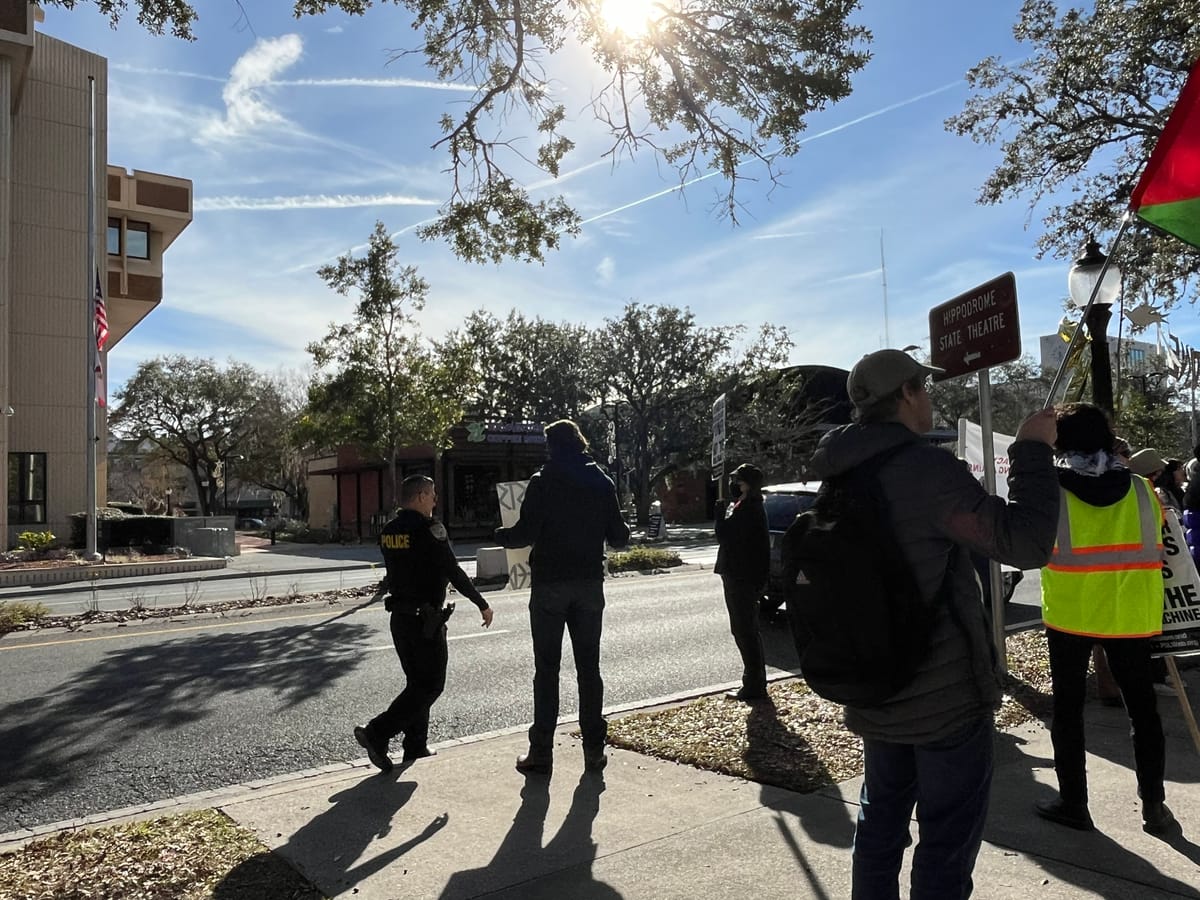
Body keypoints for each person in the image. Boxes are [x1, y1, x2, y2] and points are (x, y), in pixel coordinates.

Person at [809, 349, 1059, 900]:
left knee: (879, 827)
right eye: (922, 387)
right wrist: (1033, 452)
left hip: (873, 690)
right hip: (944, 701)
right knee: (945, 842)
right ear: (905, 394)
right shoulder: (925, 471)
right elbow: (1026, 541)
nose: (929, 396)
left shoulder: (839, 473)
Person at [1036, 403, 1174, 835]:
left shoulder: (1051, 492)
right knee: (1144, 711)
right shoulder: (1142, 490)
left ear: (1060, 442)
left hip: (1070, 617)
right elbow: (1163, 548)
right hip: (1130, 616)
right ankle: (1154, 805)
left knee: (1069, 713)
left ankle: (1074, 803)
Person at [494, 419, 631, 774]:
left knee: (547, 671)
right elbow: (619, 537)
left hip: (550, 584)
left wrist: (501, 534)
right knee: (589, 669)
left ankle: (541, 752)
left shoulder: (543, 482)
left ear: (551, 447)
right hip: (588, 583)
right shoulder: (602, 482)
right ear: (580, 443)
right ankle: (593, 751)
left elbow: (524, 534)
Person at [354, 474, 493, 772]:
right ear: (419, 497)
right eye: (431, 494)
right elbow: (453, 570)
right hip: (425, 620)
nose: (435, 500)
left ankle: (415, 744)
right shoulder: (430, 529)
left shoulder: (389, 530)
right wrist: (481, 603)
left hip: (401, 620)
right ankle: (378, 732)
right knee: (431, 686)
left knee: (417, 684)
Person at [714, 462, 771, 702]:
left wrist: (719, 514)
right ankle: (753, 680)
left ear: (749, 483)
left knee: (745, 629)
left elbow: (727, 536)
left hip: (742, 576)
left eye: (739, 480)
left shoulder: (750, 509)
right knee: (742, 629)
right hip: (737, 574)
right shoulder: (744, 505)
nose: (735, 484)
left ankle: (754, 684)